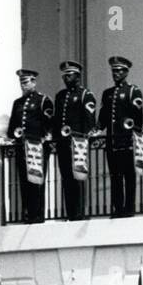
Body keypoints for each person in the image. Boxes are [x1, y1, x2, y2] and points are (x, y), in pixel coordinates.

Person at [98, 56, 143, 218]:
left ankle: (129, 208)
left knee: (129, 176)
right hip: (112, 141)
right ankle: (118, 208)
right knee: (115, 176)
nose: (116, 73)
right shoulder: (107, 93)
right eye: (114, 71)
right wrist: (97, 129)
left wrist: (137, 134)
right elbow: (103, 117)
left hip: (128, 140)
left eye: (119, 71)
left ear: (126, 72)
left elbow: (138, 116)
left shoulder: (133, 91)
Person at [7, 68, 55, 224]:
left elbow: (49, 123)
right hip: (23, 147)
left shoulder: (43, 100)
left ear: (33, 82)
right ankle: (28, 213)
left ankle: (38, 214)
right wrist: (11, 137)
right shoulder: (17, 103)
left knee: (37, 181)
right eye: (21, 82)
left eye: (25, 82)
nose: (23, 85)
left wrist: (45, 137)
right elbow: (13, 125)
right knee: (24, 181)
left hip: (38, 147)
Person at [53, 61, 97, 221]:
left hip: (77, 143)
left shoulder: (85, 95)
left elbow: (89, 120)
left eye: (69, 74)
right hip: (63, 143)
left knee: (78, 177)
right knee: (66, 178)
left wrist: (84, 139)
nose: (66, 77)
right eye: (65, 75)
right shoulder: (60, 96)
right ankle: (70, 212)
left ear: (77, 76)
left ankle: (79, 213)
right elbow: (57, 119)